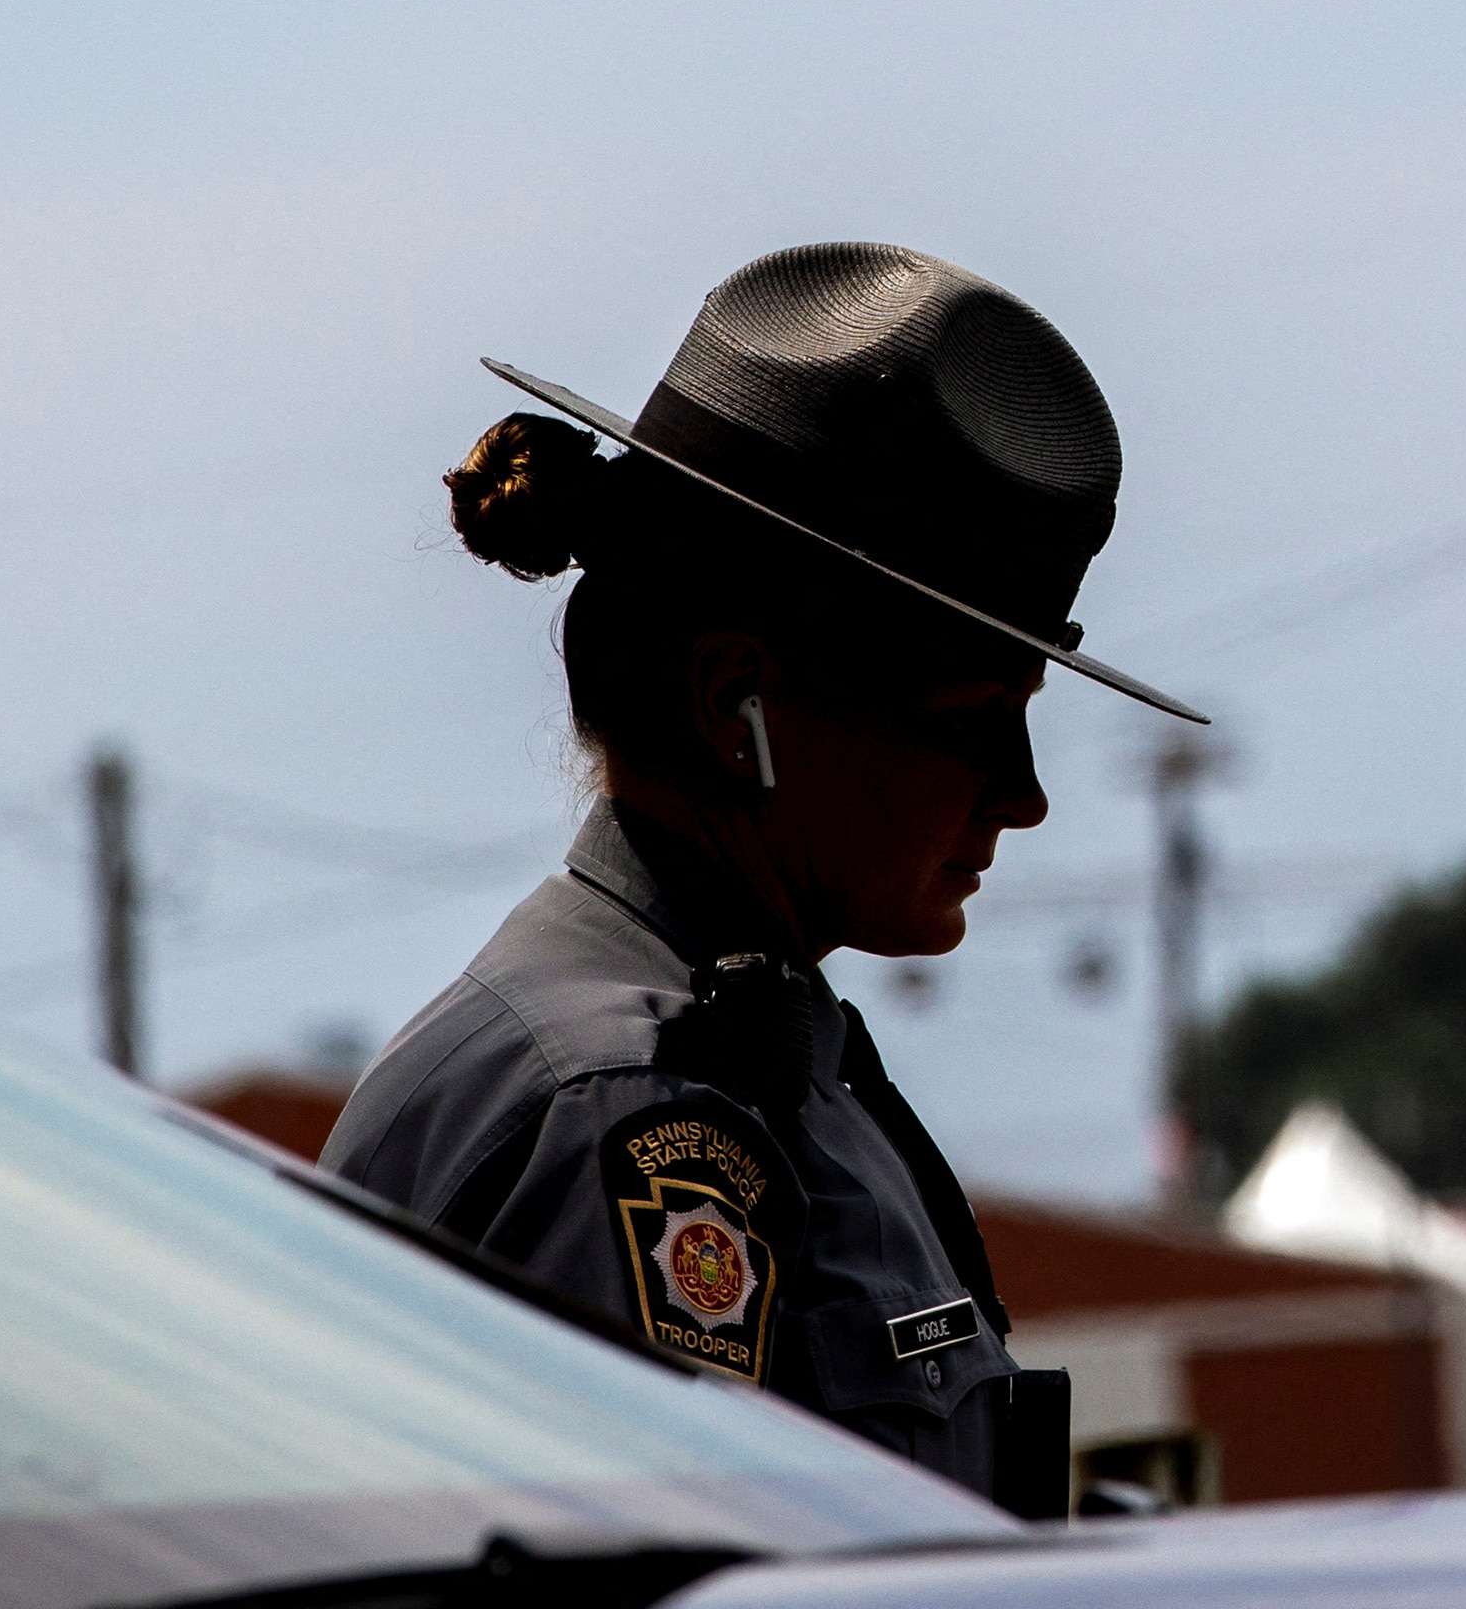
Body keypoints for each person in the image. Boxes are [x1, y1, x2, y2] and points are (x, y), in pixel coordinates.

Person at [323, 241, 1201, 1507]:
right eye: (970, 720)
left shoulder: (752, 1058)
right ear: (739, 705)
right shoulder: (630, 1114)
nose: (1023, 793)